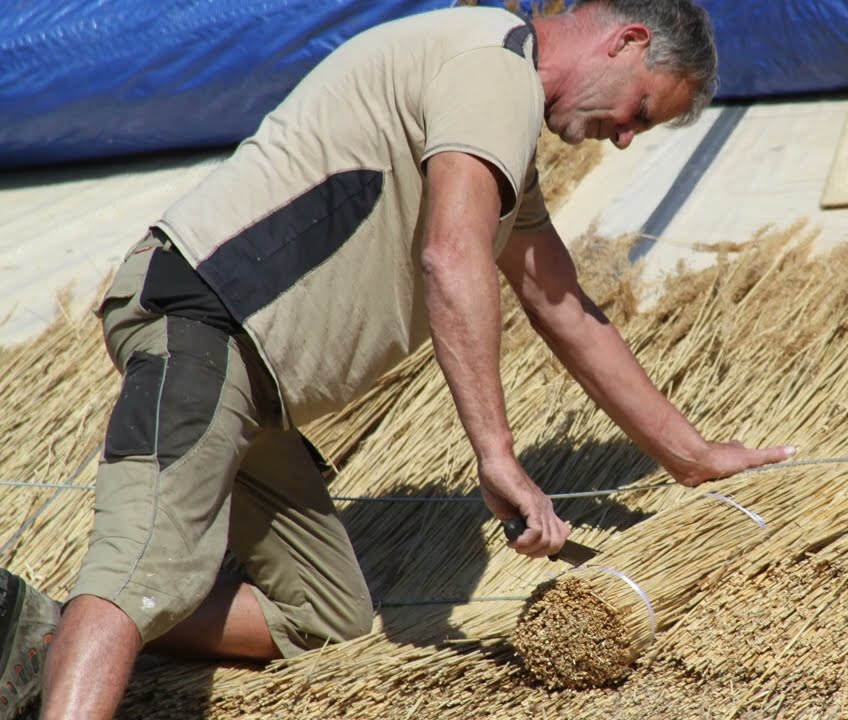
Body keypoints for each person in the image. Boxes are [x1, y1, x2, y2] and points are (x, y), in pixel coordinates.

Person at [0, 1, 794, 718]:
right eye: (641, 112)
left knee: (324, 618)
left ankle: (55, 626)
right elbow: (452, 258)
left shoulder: (497, 129)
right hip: (204, 324)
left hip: (259, 389)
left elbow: (562, 306)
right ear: (626, 40)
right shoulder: (492, 65)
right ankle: (103, 615)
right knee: (142, 569)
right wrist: (496, 456)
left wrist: (691, 457)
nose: (623, 137)